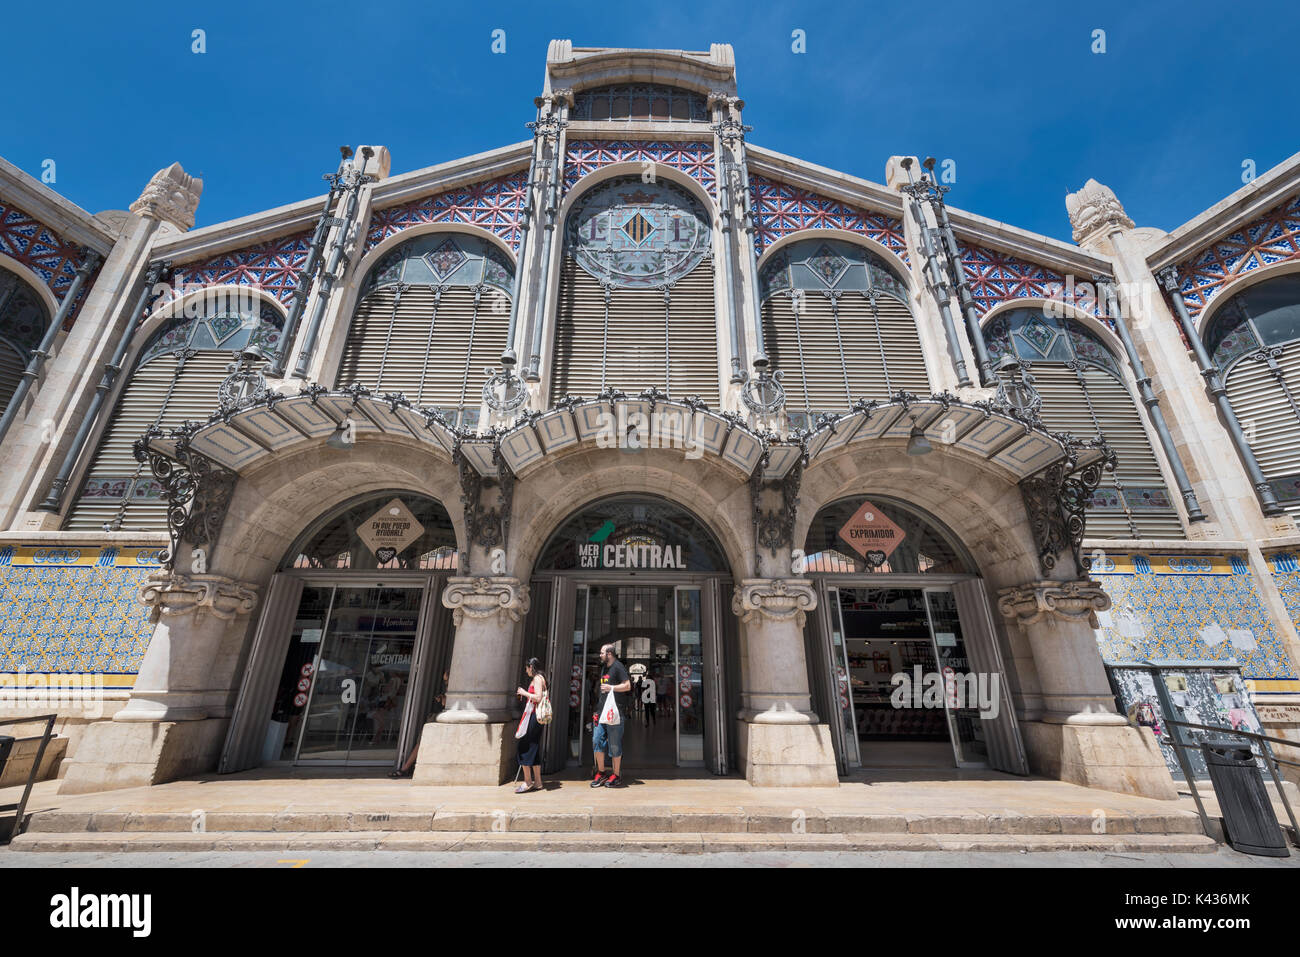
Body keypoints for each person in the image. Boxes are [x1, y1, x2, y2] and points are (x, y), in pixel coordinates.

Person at [591, 643, 632, 788]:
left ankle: (616, 775)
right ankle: (601, 773)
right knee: (597, 741)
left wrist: (612, 687)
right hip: (601, 712)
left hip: (615, 713)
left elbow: (627, 685)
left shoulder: (618, 667)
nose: (600, 655)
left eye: (602, 653)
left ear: (609, 654)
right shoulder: (604, 668)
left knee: (614, 745)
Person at [514, 658, 547, 793]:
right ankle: (538, 782)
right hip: (535, 716)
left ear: (531, 667)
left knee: (524, 746)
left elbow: (538, 697)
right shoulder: (541, 678)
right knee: (533, 746)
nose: (525, 670)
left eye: (527, 667)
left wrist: (524, 693)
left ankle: (528, 781)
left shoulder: (538, 679)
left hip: (534, 715)